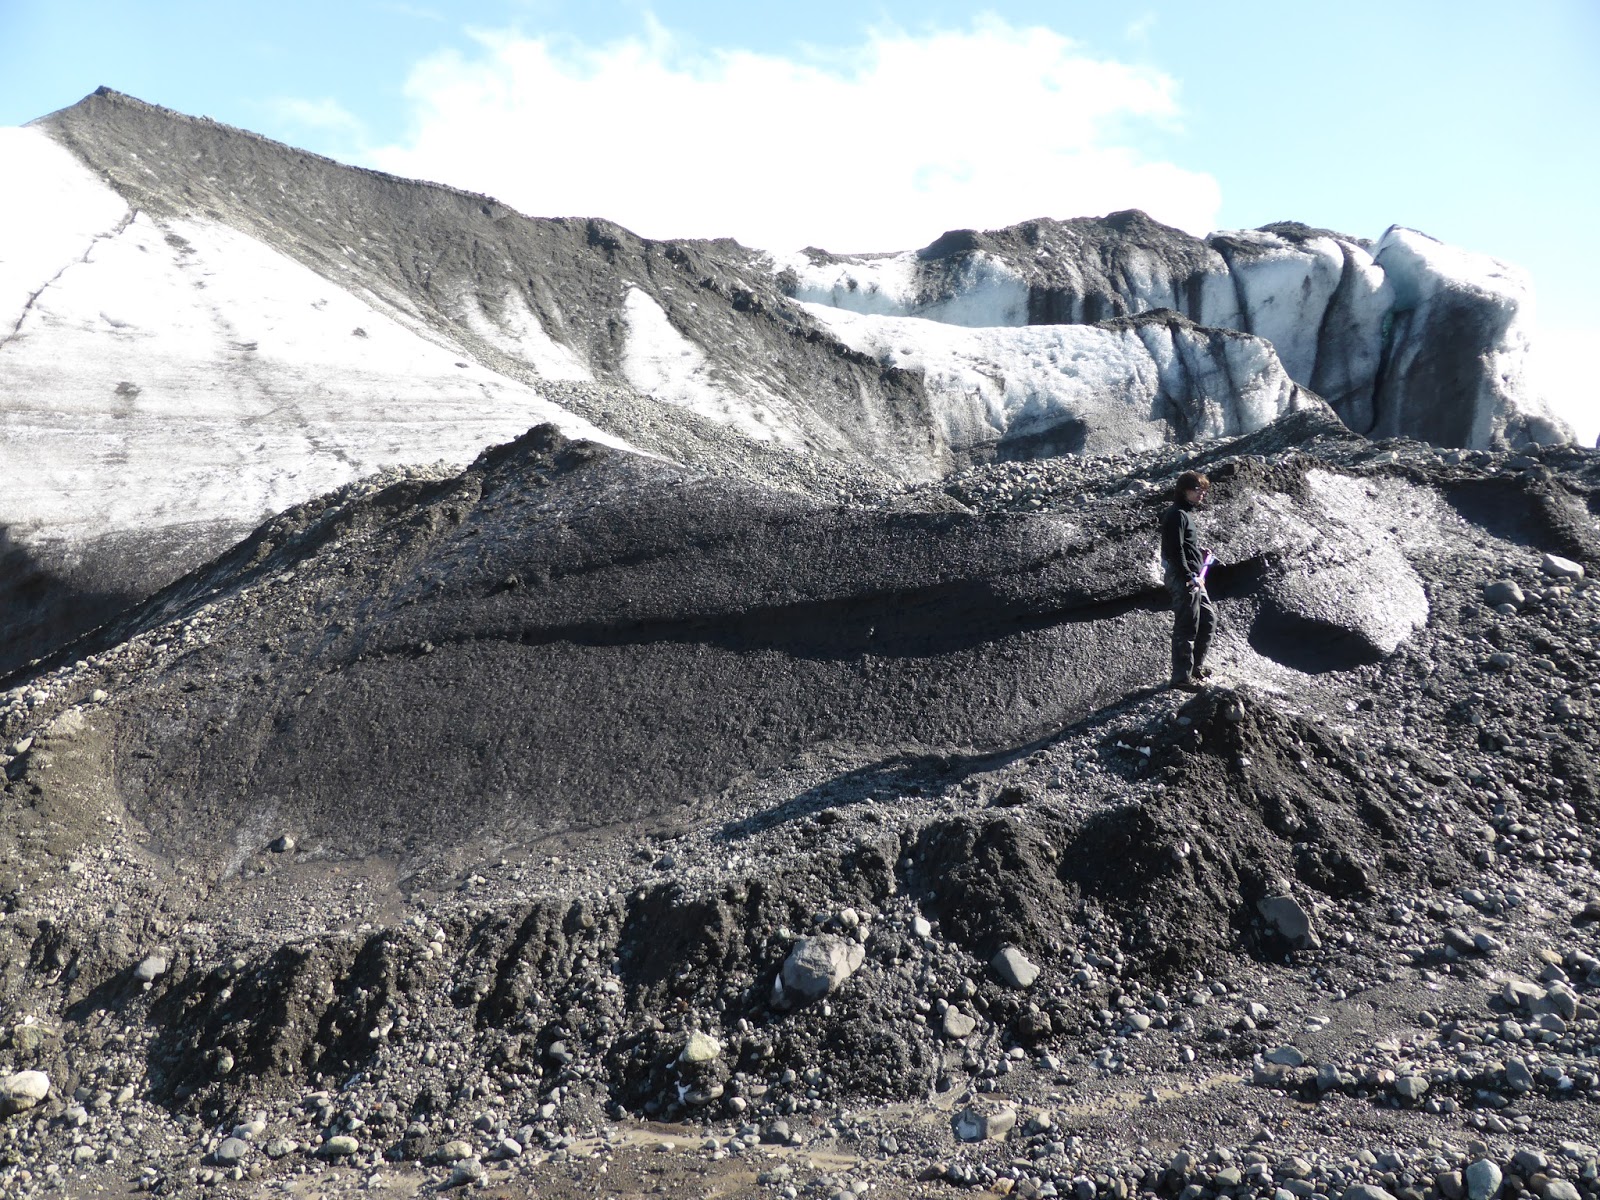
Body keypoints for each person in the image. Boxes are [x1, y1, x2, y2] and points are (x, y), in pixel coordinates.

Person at [1160, 471, 1217, 691]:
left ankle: (1195, 668)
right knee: (1187, 626)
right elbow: (1175, 550)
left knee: (1208, 619)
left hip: (1193, 577)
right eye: (1197, 489)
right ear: (1184, 490)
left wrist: (1199, 552)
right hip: (1185, 578)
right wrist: (1188, 576)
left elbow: (1184, 546)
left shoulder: (1184, 514)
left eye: (1204, 489)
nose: (1202, 494)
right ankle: (1181, 678)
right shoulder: (1177, 515)